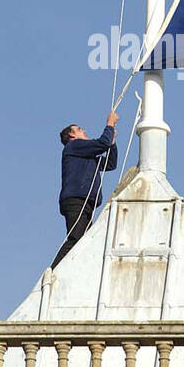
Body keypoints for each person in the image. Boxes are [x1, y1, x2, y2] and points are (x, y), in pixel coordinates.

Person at [51, 111, 119, 268]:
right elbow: (102, 143)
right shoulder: (73, 147)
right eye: (79, 129)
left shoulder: (85, 156)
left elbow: (110, 164)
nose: (84, 130)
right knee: (76, 237)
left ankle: (67, 270)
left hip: (86, 203)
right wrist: (110, 124)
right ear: (72, 136)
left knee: (85, 242)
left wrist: (113, 143)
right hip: (76, 200)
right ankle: (53, 271)